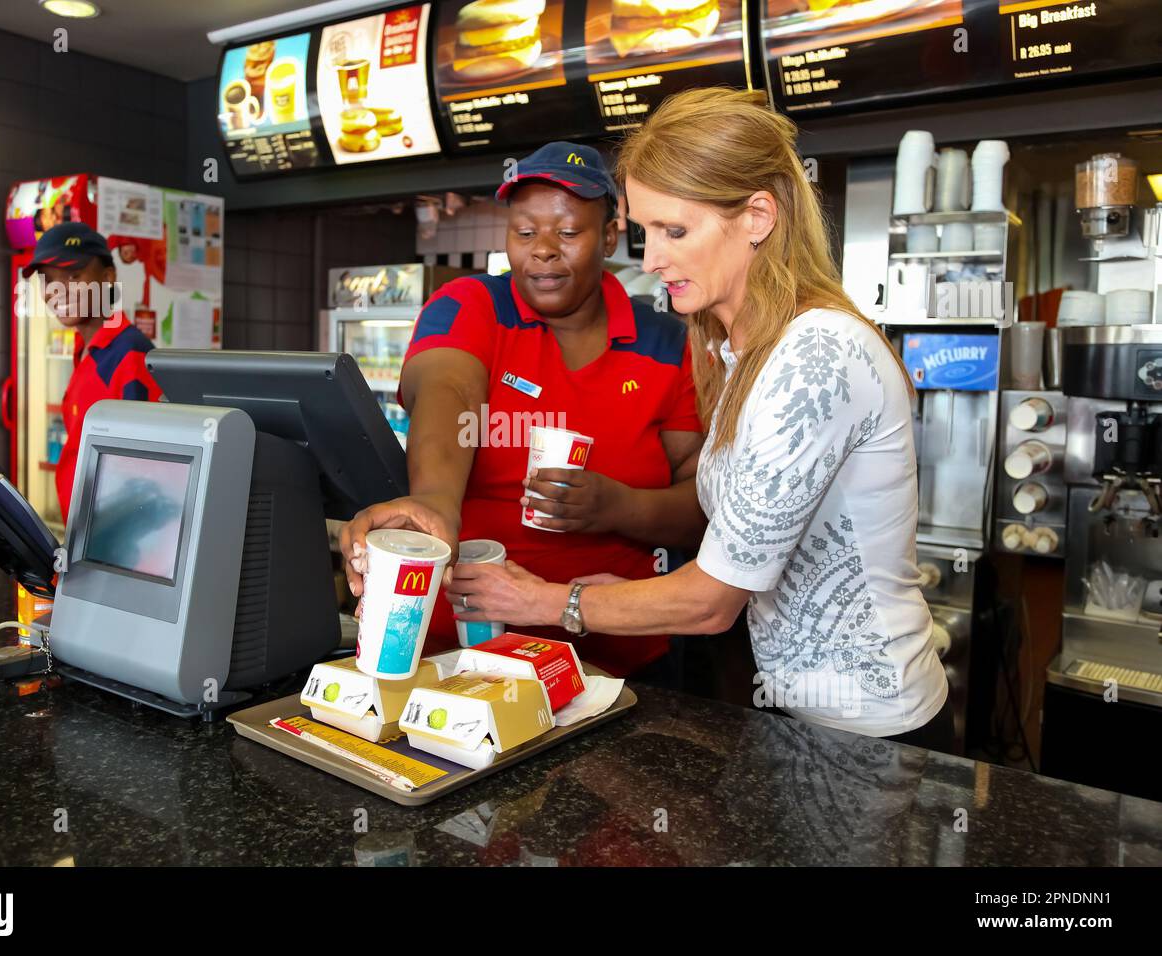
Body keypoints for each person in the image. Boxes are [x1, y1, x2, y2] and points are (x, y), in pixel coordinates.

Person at [450, 89, 952, 750]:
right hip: (797, 716)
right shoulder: (739, 352)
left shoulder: (816, 354)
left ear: (756, 217)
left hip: (871, 733)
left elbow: (713, 601)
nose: (652, 259)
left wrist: (547, 601)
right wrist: (604, 594)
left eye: (675, 231)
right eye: (646, 231)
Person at [340, 142, 706, 678]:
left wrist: (617, 506)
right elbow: (450, 395)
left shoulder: (668, 342)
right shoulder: (472, 304)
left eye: (568, 233)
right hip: (461, 650)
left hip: (614, 657)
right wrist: (436, 503)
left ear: (608, 237)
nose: (543, 251)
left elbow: (699, 509)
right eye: (525, 232)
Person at [23, 222, 163, 523]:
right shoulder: (85, 350)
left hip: (114, 537)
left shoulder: (130, 353)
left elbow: (145, 466)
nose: (57, 291)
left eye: (73, 275)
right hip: (83, 531)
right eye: (48, 280)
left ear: (108, 277)